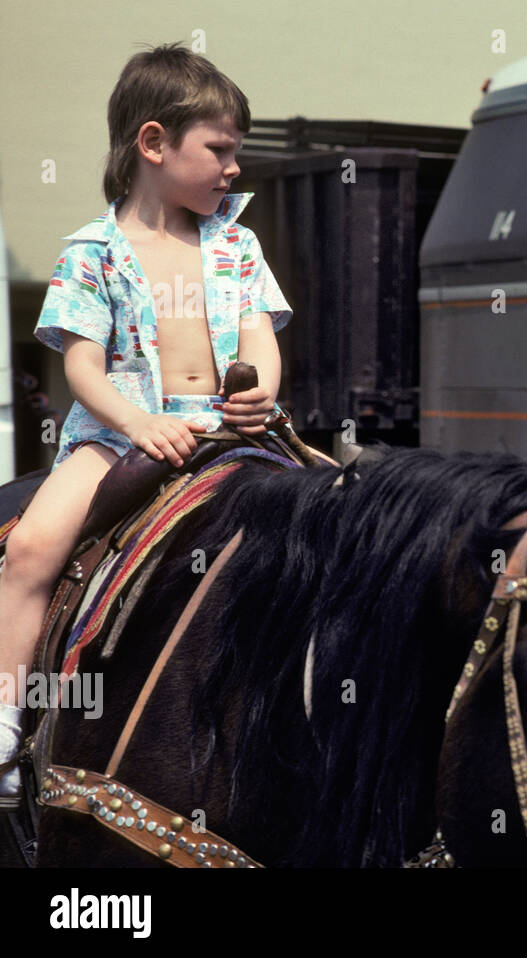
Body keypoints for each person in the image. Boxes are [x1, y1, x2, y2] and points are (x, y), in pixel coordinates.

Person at [0, 43, 291, 795]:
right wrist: (137, 424)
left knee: (346, 521)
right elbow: (82, 370)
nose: (233, 167)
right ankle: (7, 719)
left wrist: (263, 390)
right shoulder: (92, 252)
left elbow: (258, 331)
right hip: (120, 435)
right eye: (219, 149)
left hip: (235, 431)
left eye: (236, 151)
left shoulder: (237, 240)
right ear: (154, 143)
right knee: (29, 549)